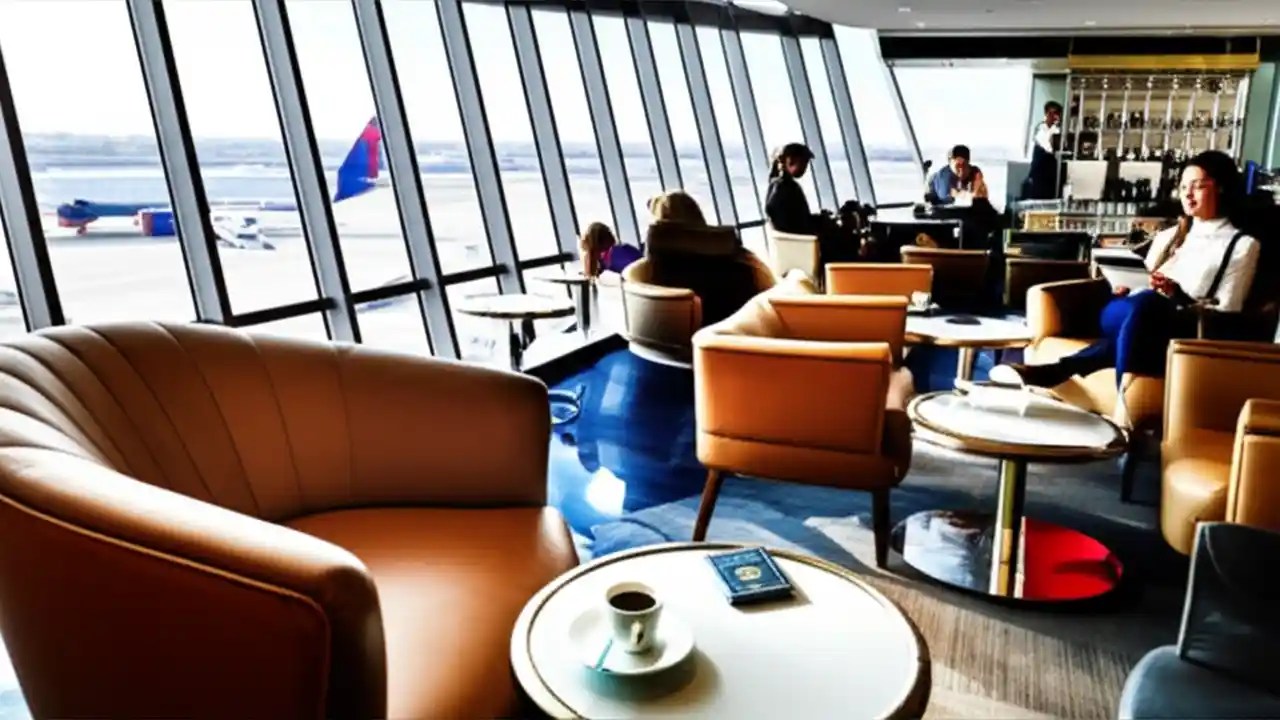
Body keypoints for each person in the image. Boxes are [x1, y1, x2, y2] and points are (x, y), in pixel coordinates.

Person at [991, 150, 1261, 390]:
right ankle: (1101, 390)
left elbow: (1229, 312)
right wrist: (1127, 286)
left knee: (1146, 308)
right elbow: (1146, 278)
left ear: (1222, 188)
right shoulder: (1170, 236)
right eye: (1183, 187)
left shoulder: (1241, 245)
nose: (1187, 194)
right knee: (1140, 304)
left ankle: (1059, 371)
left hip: (1181, 326)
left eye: (1198, 186)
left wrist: (1176, 294)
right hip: (1133, 311)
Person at [763, 142, 860, 264]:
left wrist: (820, 220)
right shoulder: (786, 188)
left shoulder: (779, 186)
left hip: (798, 244)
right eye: (803, 162)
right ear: (790, 161)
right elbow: (795, 225)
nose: (805, 167)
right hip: (803, 245)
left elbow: (795, 219)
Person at [1022, 101, 1063, 200]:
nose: (1054, 117)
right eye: (1051, 113)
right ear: (1046, 114)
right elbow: (1048, 147)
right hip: (1040, 171)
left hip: (1052, 173)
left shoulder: (1058, 130)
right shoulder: (1040, 129)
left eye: (1056, 114)